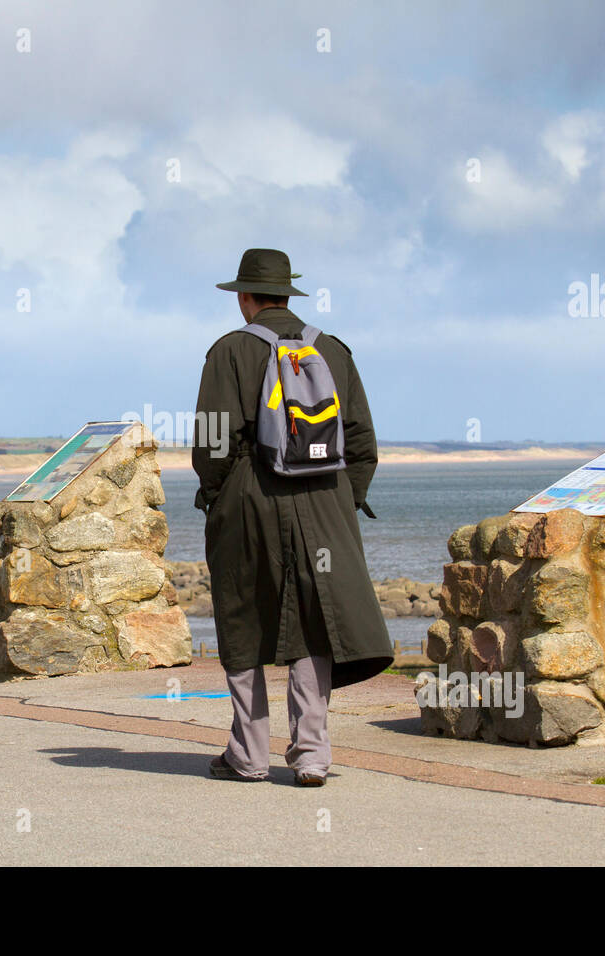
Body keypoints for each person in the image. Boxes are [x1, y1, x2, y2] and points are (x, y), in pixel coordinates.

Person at [193, 248, 393, 786]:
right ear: (288, 294)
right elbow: (362, 442)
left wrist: (218, 495)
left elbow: (213, 440)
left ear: (244, 298)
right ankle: (311, 756)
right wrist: (340, 501)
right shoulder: (332, 348)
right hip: (324, 502)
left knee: (242, 618)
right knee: (314, 622)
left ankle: (248, 755)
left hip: (248, 500)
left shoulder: (230, 351)